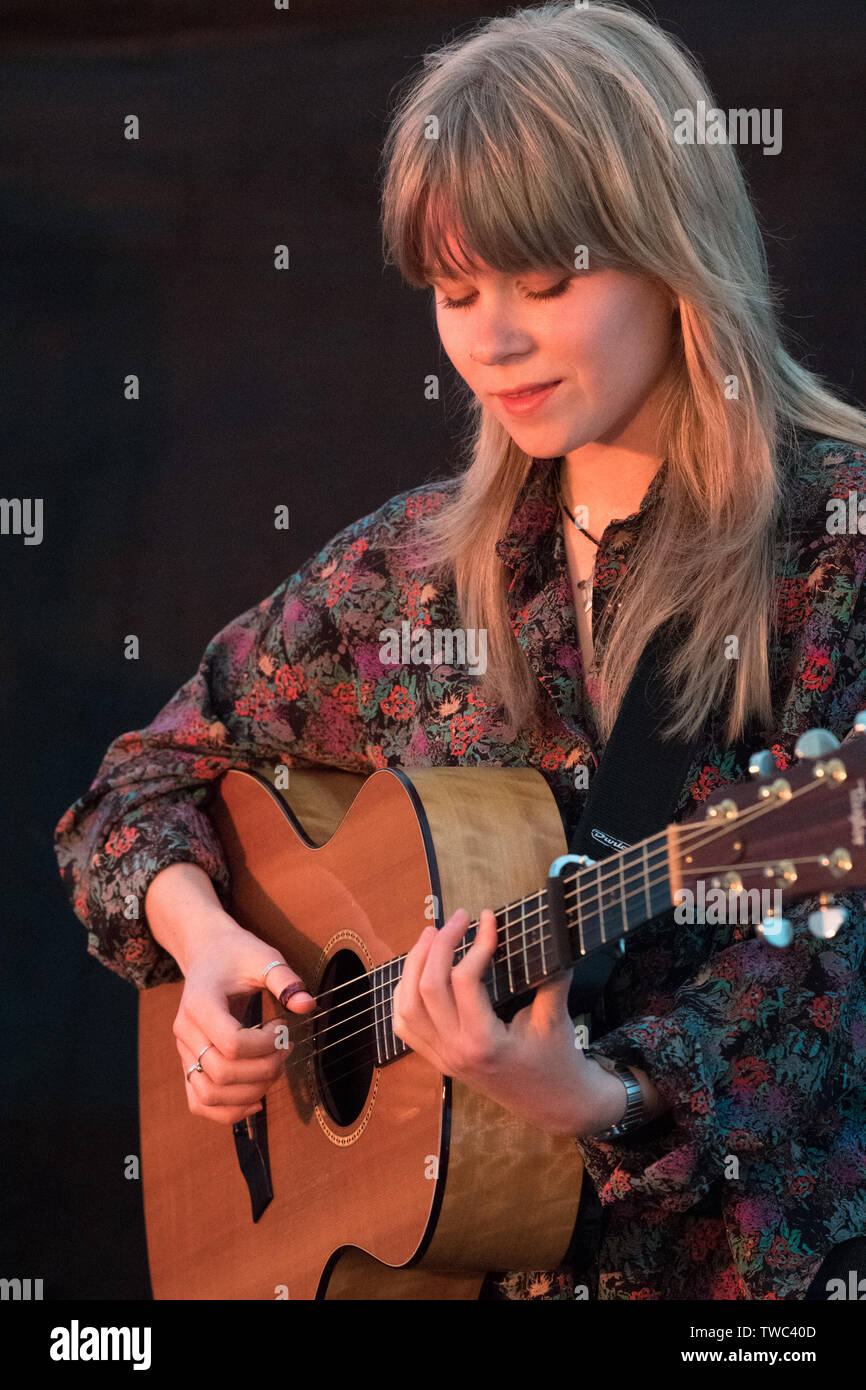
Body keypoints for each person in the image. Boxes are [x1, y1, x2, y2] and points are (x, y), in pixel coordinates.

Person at [54, 1, 866, 1300]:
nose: (489, 340)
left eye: (544, 285)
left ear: (675, 254)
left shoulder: (832, 549)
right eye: (452, 290)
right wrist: (202, 940)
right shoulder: (413, 567)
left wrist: (589, 1094)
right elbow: (142, 778)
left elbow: (831, 995)